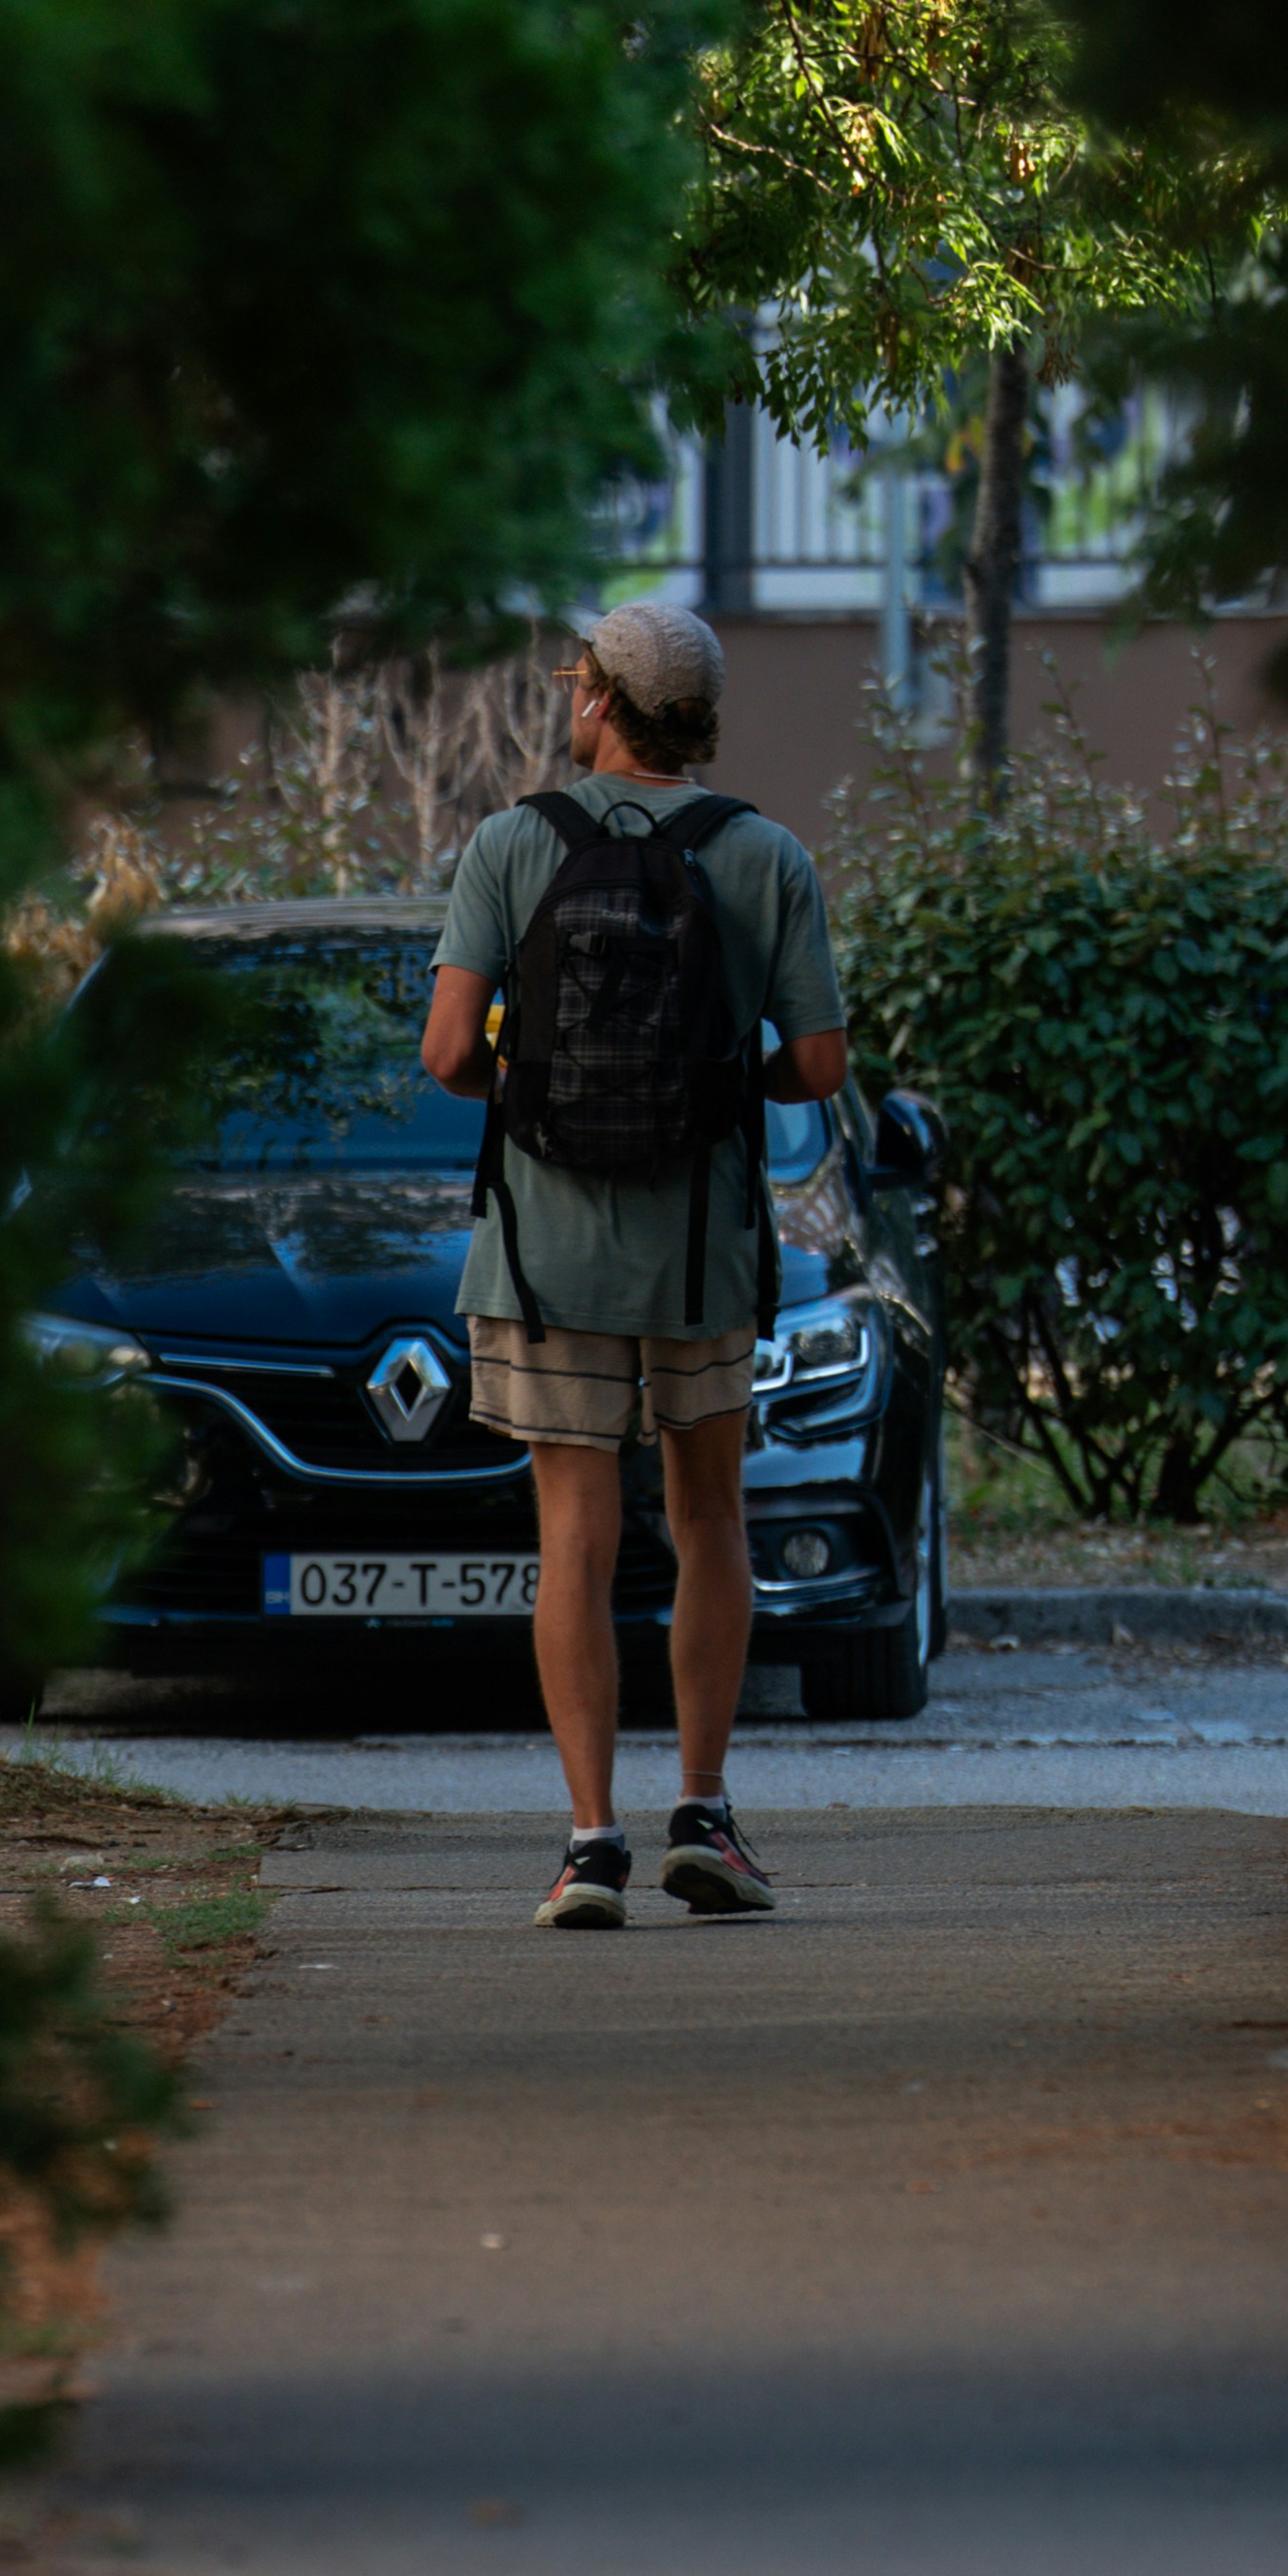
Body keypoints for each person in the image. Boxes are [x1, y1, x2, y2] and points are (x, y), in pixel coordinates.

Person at [422, 599, 851, 1930]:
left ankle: (589, 1843)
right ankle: (705, 1814)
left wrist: (540, 1090)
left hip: (543, 1257)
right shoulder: (763, 855)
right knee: (711, 1518)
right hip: (700, 1253)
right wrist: (715, 1083)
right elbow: (822, 1068)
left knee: (576, 1537)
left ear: (601, 704)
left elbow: (446, 1057)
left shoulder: (510, 845)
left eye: (577, 681)